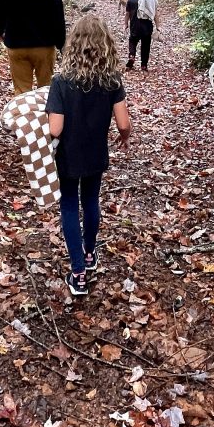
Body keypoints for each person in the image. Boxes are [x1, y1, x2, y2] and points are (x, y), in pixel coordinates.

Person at [46, 15, 131, 297]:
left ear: (74, 45)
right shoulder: (112, 80)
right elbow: (123, 123)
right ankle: (91, 253)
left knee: (69, 206)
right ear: (104, 45)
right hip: (96, 152)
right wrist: (124, 138)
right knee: (91, 200)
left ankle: (78, 273)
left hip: (68, 156)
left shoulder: (60, 81)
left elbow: (55, 128)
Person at [126, 0, 158, 70]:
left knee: (132, 41)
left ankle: (132, 56)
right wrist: (158, 26)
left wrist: (126, 24)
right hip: (147, 25)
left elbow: (127, 13)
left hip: (135, 25)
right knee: (146, 44)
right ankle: (144, 65)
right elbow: (155, 13)